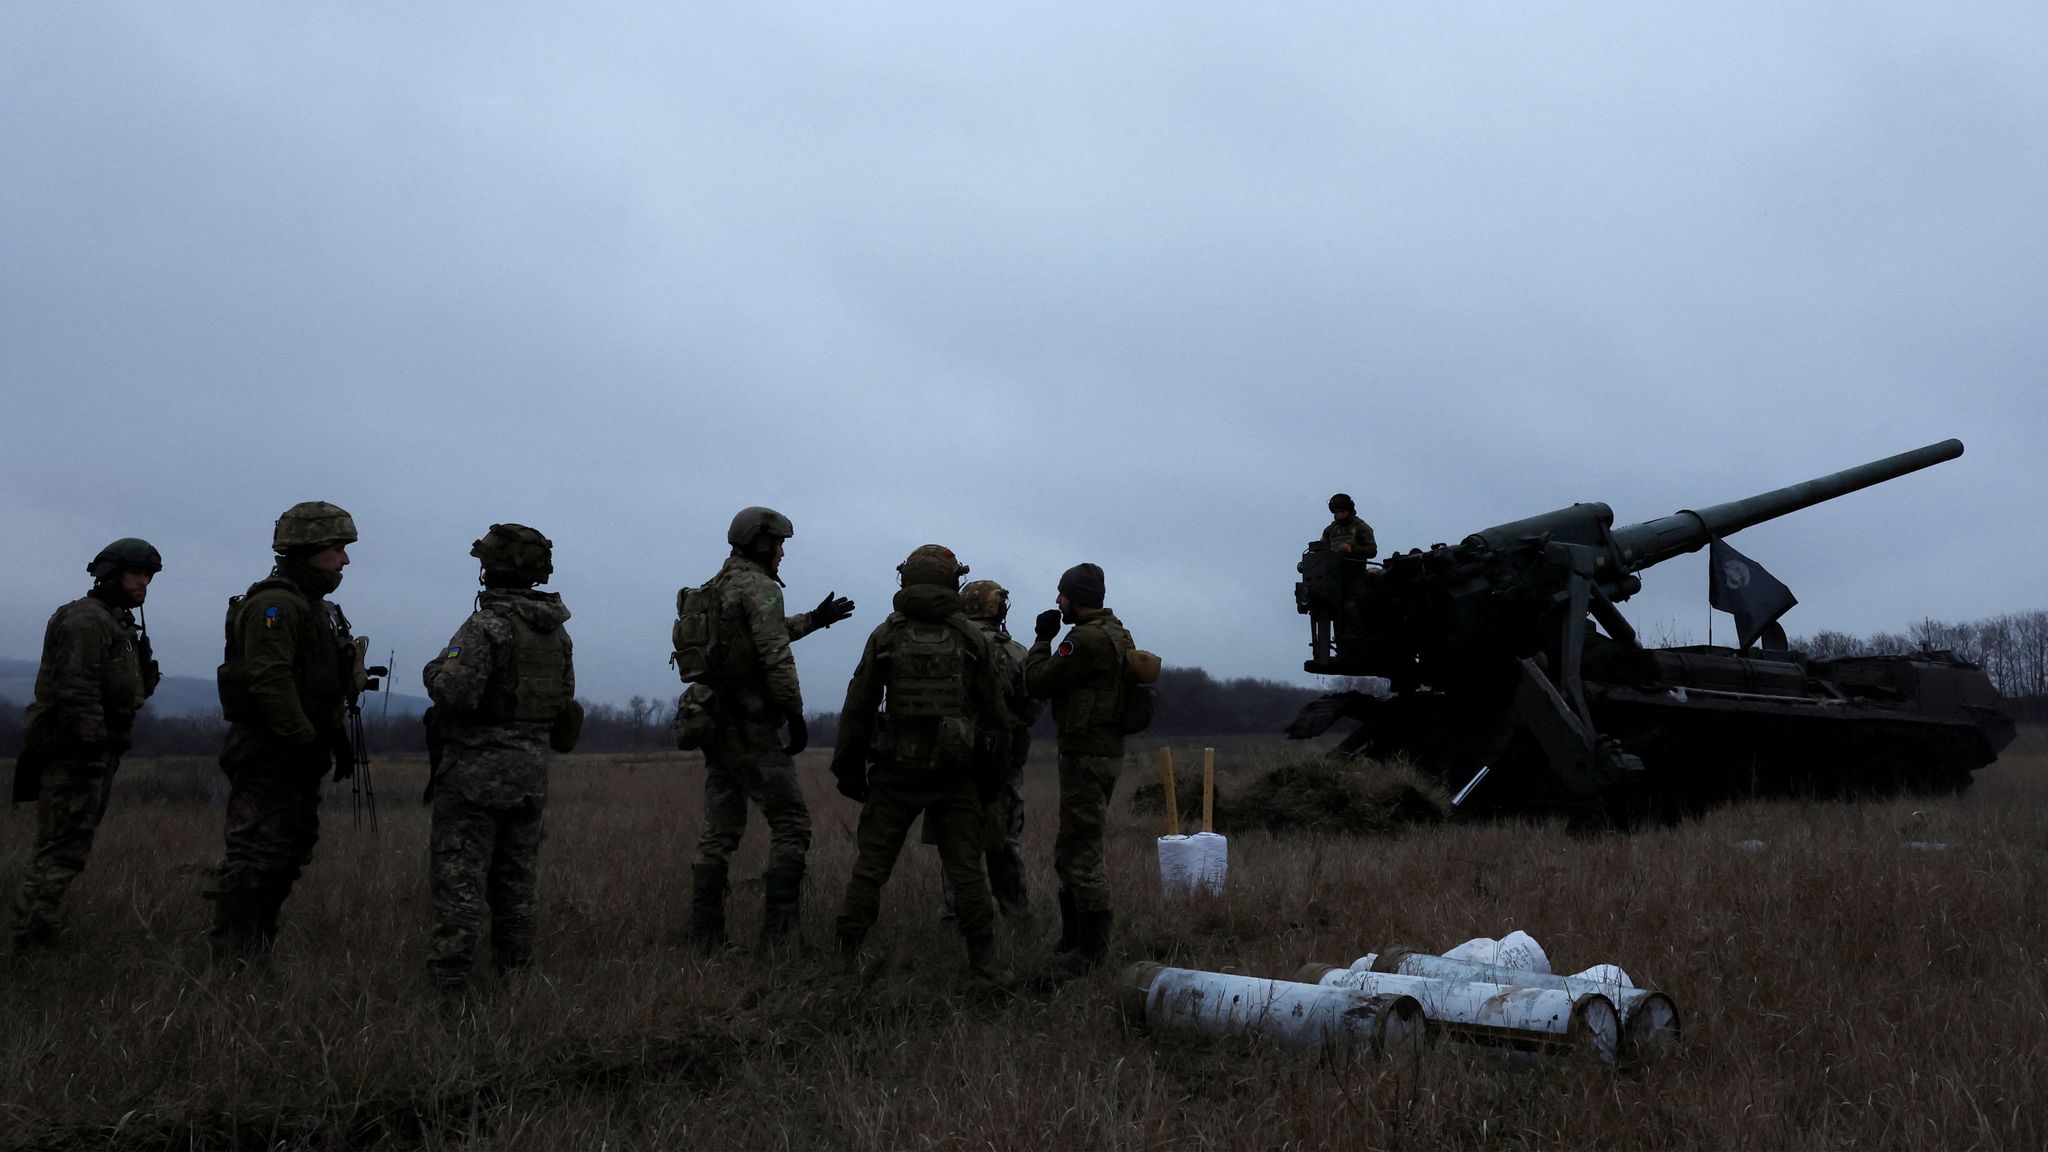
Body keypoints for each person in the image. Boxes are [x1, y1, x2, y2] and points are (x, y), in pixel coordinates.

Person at [829, 546, 1011, 985]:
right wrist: (991, 779)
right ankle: (984, 965)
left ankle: (843, 958)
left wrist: (849, 769)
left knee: (871, 867)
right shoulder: (970, 637)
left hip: (895, 773)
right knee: (967, 870)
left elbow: (858, 705)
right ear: (951, 583)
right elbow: (995, 716)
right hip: (955, 774)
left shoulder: (886, 635)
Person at [685, 506, 854, 950]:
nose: (782, 552)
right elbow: (774, 653)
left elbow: (759, 635)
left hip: (714, 721)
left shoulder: (716, 585)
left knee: (719, 831)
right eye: (779, 544)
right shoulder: (759, 587)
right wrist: (795, 714)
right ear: (761, 543)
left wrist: (816, 619)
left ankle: (705, 937)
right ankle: (779, 939)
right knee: (792, 823)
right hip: (751, 724)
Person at [420, 524, 580, 991]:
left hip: (475, 773)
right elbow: (564, 702)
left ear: (495, 569)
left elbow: (456, 690)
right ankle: (514, 978)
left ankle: (450, 987)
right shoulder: (557, 633)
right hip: (530, 774)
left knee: (460, 881)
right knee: (516, 882)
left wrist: (434, 669)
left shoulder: (486, 625)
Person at [209, 501, 366, 962]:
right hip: (268, 752)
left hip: (296, 752)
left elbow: (317, 685)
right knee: (256, 854)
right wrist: (305, 741)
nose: (345, 559)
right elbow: (270, 680)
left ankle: (255, 949)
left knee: (289, 850)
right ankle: (235, 960)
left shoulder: (316, 608)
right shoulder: (274, 605)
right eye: (337, 548)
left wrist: (334, 737)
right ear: (308, 548)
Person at [9, 539, 162, 949]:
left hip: (98, 749)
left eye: (148, 575)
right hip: (75, 752)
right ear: (112, 574)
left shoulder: (116, 623)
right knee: (61, 847)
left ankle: (35, 927)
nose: (144, 582)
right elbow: (76, 692)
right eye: (136, 573)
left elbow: (123, 690)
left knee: (69, 845)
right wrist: (90, 749)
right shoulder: (85, 620)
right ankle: (30, 937)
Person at [1024, 562, 1140, 976]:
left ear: (1076, 598)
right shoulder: (1116, 632)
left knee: (1081, 851)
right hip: (1100, 750)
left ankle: (1089, 952)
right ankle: (1073, 940)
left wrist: (1041, 640)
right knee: (1071, 846)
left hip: (1086, 753)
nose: (1058, 601)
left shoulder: (1085, 640)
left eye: (1062, 595)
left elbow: (1037, 680)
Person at [920, 578, 1041, 923]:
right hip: (999, 762)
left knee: (954, 841)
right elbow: (1031, 708)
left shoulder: (942, 643)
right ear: (996, 608)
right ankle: (1015, 915)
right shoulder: (1014, 651)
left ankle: (956, 914)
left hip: (948, 759)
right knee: (1003, 842)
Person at [1322, 493, 1377, 560]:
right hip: (1332, 568)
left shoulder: (1360, 527)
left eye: (1342, 511)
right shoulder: (1330, 530)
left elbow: (1372, 551)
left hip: (1355, 568)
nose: (1339, 515)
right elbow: (1321, 549)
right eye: (1336, 512)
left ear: (1349, 510)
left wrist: (1352, 549)